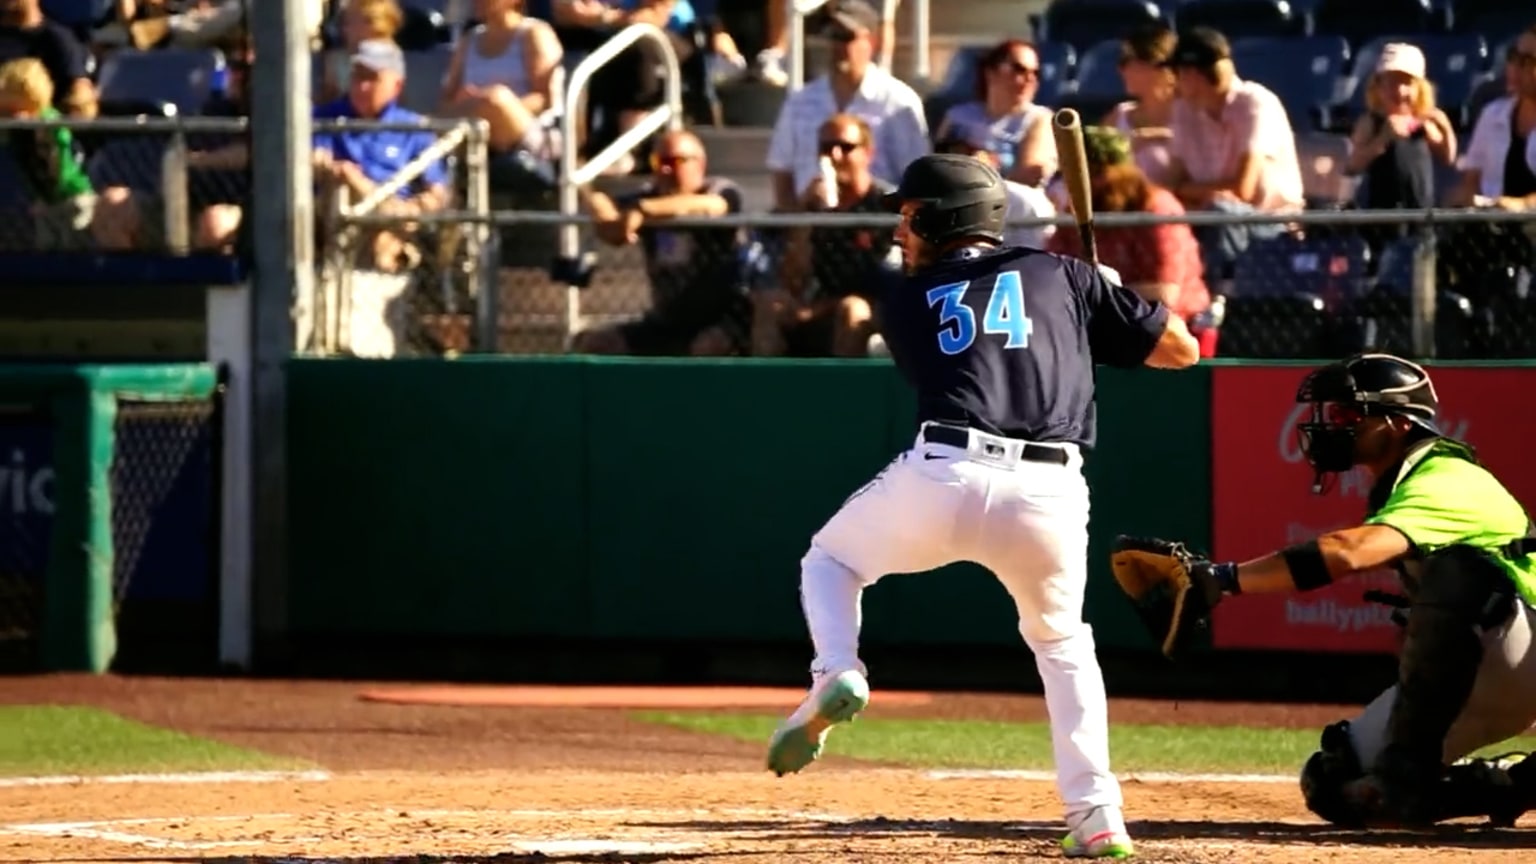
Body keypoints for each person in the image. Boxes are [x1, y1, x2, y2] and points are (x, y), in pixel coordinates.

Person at [763, 153, 1202, 858]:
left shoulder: (905, 299)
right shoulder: (1066, 275)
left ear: (946, 219)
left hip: (946, 473)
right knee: (1063, 647)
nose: (900, 230)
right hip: (1052, 493)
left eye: (910, 216)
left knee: (833, 557)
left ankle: (836, 671)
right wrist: (1113, 301)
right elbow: (1181, 352)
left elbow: (989, 327)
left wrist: (1091, 300)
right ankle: (1097, 816)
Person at [1114, 353, 1536, 829]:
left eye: (1349, 414)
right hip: (1486, 676)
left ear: (1398, 423)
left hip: (1522, 653)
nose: (1332, 425)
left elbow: (1349, 552)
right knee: (1334, 783)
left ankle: (1405, 774)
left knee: (1456, 574)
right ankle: (1502, 787)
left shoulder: (1449, 477)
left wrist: (1223, 580)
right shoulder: (1402, 480)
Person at [570, 129, 749, 356]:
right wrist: (608, 218)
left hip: (723, 319)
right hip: (666, 320)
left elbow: (711, 207)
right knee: (596, 343)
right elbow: (600, 199)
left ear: (700, 164)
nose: (665, 169)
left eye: (674, 161)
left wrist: (643, 211)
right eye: (658, 162)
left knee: (707, 348)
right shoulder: (649, 194)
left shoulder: (722, 190)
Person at [1046, 126, 1216, 357]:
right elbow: (1052, 267)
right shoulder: (1075, 212)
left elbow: (1165, 292)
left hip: (1171, 334)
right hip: (1103, 327)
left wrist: (1102, 290)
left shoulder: (1157, 208)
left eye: (1094, 175)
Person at [1161, 26, 1304, 281]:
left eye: (1177, 72)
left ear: (1192, 74)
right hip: (1205, 219)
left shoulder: (1255, 103)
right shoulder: (1183, 110)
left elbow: (1242, 191)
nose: (1174, 81)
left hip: (1272, 225)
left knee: (1221, 213)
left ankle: (1214, 301)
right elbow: (1172, 185)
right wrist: (1201, 193)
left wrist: (1192, 190)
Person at [764, 0, 927, 211]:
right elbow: (782, 173)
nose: (839, 46)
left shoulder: (899, 102)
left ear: (872, 42)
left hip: (877, 226)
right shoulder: (800, 101)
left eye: (847, 37)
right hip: (812, 223)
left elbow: (918, 178)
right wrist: (796, 221)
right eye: (833, 36)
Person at [1344, 42, 1456, 236]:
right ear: (1378, 87)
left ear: (1420, 88)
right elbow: (1352, 165)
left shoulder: (1424, 124)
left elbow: (1448, 157)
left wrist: (1445, 128)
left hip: (1421, 216)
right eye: (1392, 82)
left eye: (1407, 83)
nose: (1400, 91)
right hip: (1382, 219)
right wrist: (1382, 139)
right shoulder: (1371, 122)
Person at [438, 0, 563, 158]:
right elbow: (445, 103)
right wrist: (476, 105)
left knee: (495, 98)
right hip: (476, 127)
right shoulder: (469, 40)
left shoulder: (534, 33)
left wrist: (492, 107)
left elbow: (546, 99)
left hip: (532, 134)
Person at [933, 38, 1055, 186]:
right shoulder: (957, 117)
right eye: (1019, 69)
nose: (1030, 79)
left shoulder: (1038, 119)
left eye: (1036, 73)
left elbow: (1030, 175)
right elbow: (935, 165)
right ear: (991, 72)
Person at [1102, 21, 1178, 187]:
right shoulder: (1119, 116)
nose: (1120, 70)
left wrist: (1154, 136)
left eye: (1126, 61)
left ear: (1156, 64)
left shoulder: (1194, 115)